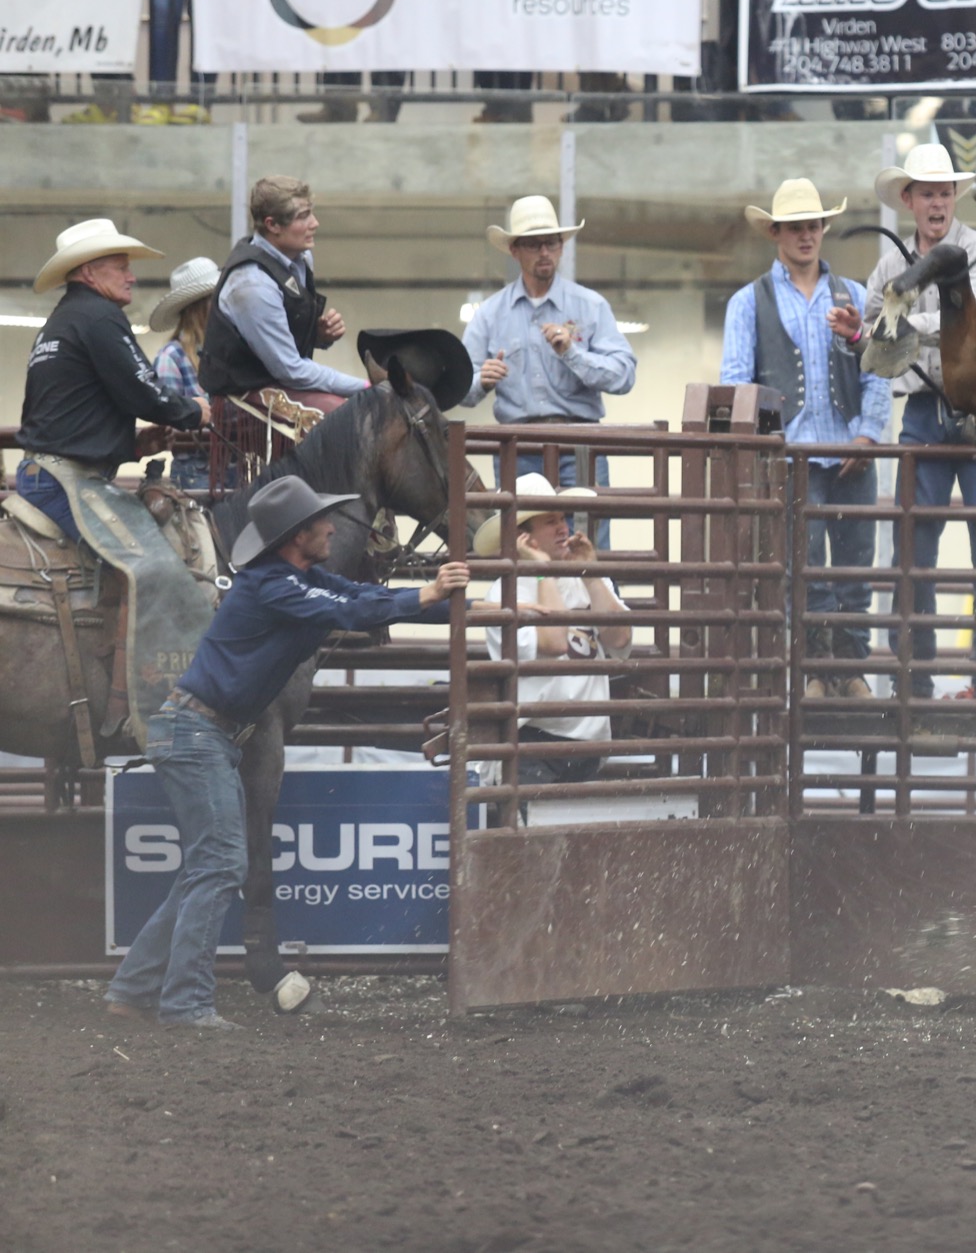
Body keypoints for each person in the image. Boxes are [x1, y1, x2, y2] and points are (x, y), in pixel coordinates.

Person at [104, 475, 469, 1030]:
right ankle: (185, 1004)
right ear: (299, 535)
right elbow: (352, 610)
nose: (331, 526)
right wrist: (428, 594)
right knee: (223, 862)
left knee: (207, 866)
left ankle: (133, 990)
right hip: (200, 735)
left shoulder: (291, 579)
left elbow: (359, 599)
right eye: (322, 520)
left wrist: (460, 605)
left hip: (198, 733)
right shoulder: (275, 588)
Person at [853, 143, 976, 699]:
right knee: (911, 548)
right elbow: (874, 326)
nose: (938, 202)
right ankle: (913, 679)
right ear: (910, 200)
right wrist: (894, 325)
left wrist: (902, 323)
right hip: (923, 406)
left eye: (945, 192)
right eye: (928, 193)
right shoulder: (891, 262)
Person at [722, 178, 890, 699]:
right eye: (796, 227)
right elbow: (735, 382)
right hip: (792, 457)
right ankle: (819, 668)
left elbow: (878, 371)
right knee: (808, 570)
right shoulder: (750, 301)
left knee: (855, 569)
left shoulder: (856, 297)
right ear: (777, 233)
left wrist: (867, 436)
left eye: (813, 226)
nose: (806, 235)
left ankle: (848, 668)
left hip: (847, 450)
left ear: (823, 230)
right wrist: (767, 448)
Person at [15, 220, 212, 541]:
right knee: (152, 560)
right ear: (90, 273)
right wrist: (194, 410)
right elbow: (144, 391)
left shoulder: (63, 321)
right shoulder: (100, 317)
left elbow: (70, 415)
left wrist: (133, 447)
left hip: (49, 476)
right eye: (121, 268)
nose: (131, 277)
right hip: (66, 484)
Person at [460, 195, 637, 522]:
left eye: (552, 243)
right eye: (533, 244)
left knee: (587, 538)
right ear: (515, 251)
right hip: (518, 446)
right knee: (524, 541)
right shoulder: (489, 315)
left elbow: (625, 375)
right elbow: (459, 388)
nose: (545, 252)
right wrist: (481, 381)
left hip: (579, 442)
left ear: (561, 247)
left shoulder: (591, 306)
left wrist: (573, 354)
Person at [475, 473, 631, 803]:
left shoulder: (584, 578)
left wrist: (590, 572)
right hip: (533, 747)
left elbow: (619, 639)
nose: (564, 528)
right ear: (523, 538)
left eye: (563, 518)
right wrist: (542, 569)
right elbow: (555, 642)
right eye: (551, 522)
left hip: (587, 748)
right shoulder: (504, 592)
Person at [199, 176, 367, 406]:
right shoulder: (252, 285)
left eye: (311, 212)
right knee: (342, 416)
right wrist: (366, 387)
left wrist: (315, 336)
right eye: (303, 216)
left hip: (278, 386)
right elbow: (291, 370)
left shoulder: (302, 257)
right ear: (272, 225)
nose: (315, 223)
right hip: (241, 403)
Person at [147, 255, 220, 490]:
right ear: (202, 306)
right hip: (196, 472)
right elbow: (168, 420)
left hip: (228, 469)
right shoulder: (172, 357)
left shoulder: (227, 352)